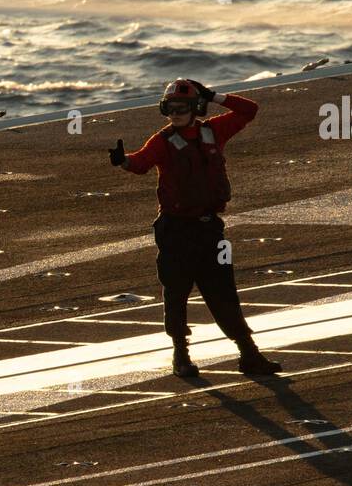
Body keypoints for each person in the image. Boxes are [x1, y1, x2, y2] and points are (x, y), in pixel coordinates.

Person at [108, 78, 282, 378]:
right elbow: (140, 163)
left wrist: (215, 95)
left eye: (181, 107)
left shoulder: (213, 131)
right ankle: (181, 355)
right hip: (175, 231)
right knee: (176, 293)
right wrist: (122, 161)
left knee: (224, 292)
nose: (175, 114)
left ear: (195, 108)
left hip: (210, 229)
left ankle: (249, 355)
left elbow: (249, 110)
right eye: (170, 108)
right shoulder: (162, 141)